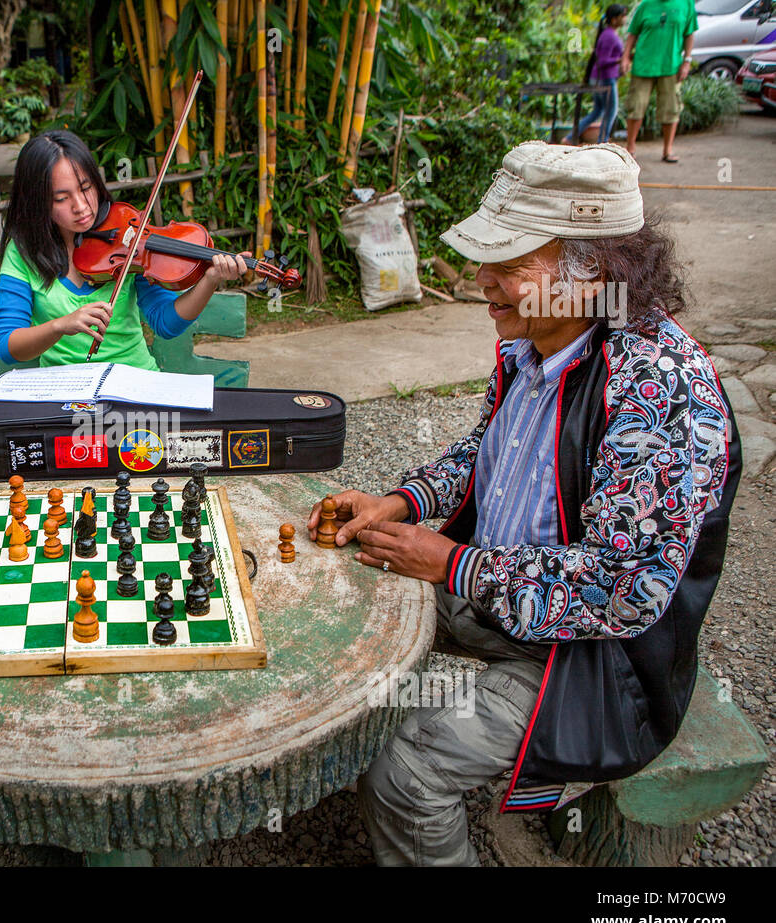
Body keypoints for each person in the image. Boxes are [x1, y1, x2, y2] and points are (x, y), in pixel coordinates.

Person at [309, 142, 740, 866]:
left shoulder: (657, 387)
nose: (484, 282)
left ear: (593, 273)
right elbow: (484, 453)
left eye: (510, 266)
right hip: (499, 593)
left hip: (595, 662)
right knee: (348, 581)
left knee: (406, 774)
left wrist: (454, 564)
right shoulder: (536, 338)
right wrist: (400, 503)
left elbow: (623, 594)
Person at [0, 130, 247, 369]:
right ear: (37, 201)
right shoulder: (23, 251)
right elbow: (7, 346)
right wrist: (60, 326)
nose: (81, 206)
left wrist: (210, 279)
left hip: (133, 383)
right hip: (66, 394)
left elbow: (166, 323)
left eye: (86, 188)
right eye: (62, 198)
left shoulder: (127, 235)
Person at [622, 0, 698, 162]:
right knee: (636, 105)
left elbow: (689, 34)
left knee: (670, 108)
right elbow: (633, 34)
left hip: (671, 65)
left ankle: (667, 150)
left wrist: (687, 61)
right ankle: (630, 148)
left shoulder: (686, 4)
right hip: (644, 65)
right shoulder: (645, 5)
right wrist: (625, 57)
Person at [566, 5, 627, 144]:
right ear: (614, 19)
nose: (625, 18)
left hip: (601, 78)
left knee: (598, 111)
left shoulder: (608, 34)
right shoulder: (609, 36)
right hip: (605, 79)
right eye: (623, 15)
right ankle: (602, 142)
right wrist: (620, 60)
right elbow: (603, 60)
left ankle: (570, 137)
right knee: (611, 111)